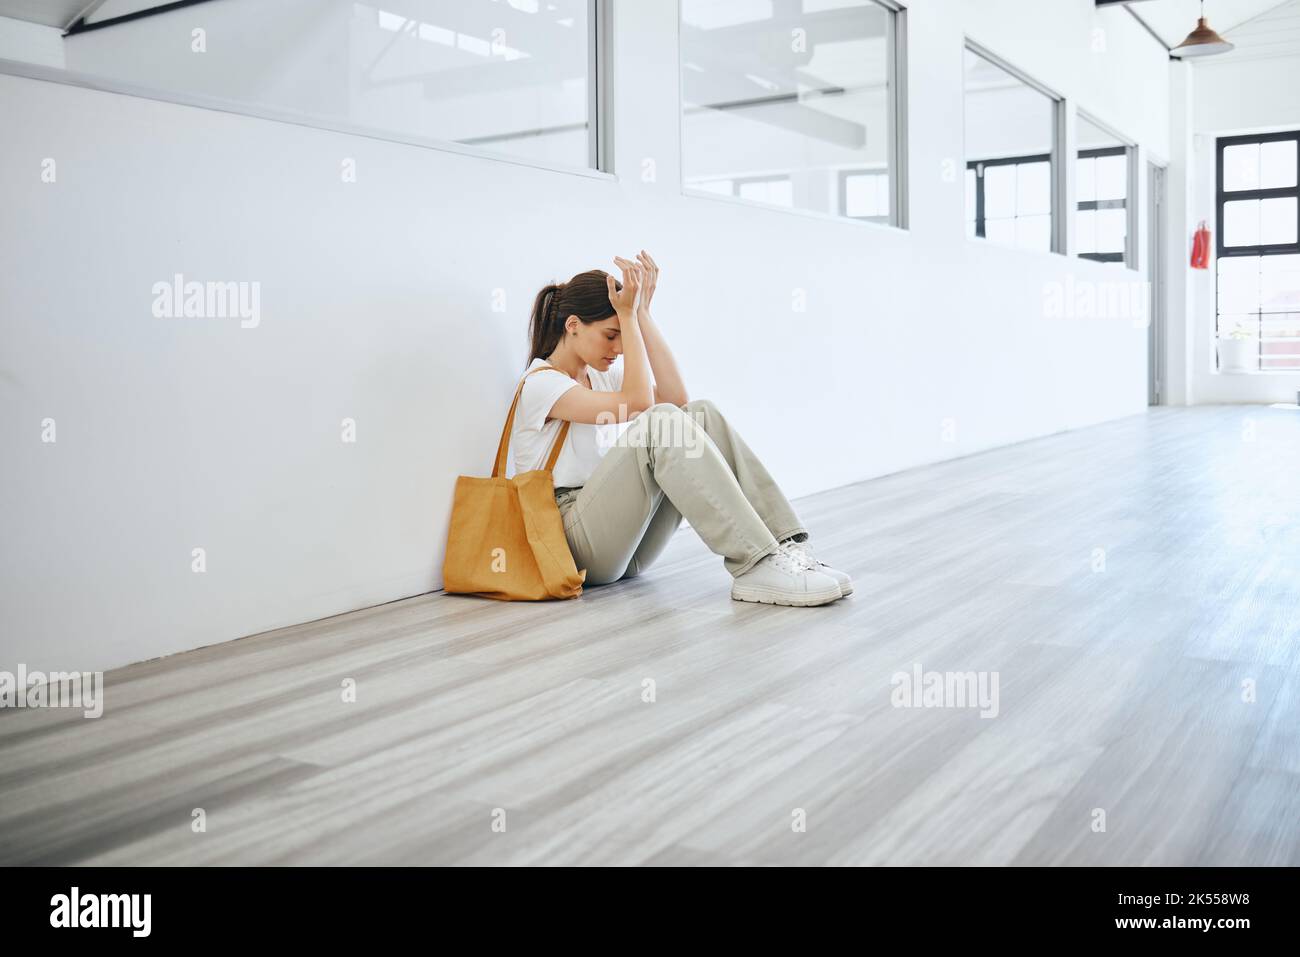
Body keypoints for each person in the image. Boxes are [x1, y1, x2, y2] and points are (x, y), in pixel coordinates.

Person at [512, 251, 852, 607]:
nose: (620, 350)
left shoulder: (598, 377)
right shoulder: (541, 385)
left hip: (620, 546)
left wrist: (642, 313)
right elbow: (644, 404)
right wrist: (628, 313)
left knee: (699, 413)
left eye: (623, 338)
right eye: (611, 336)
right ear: (573, 325)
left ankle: (787, 549)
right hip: (570, 545)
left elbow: (675, 399)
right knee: (660, 423)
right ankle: (755, 563)